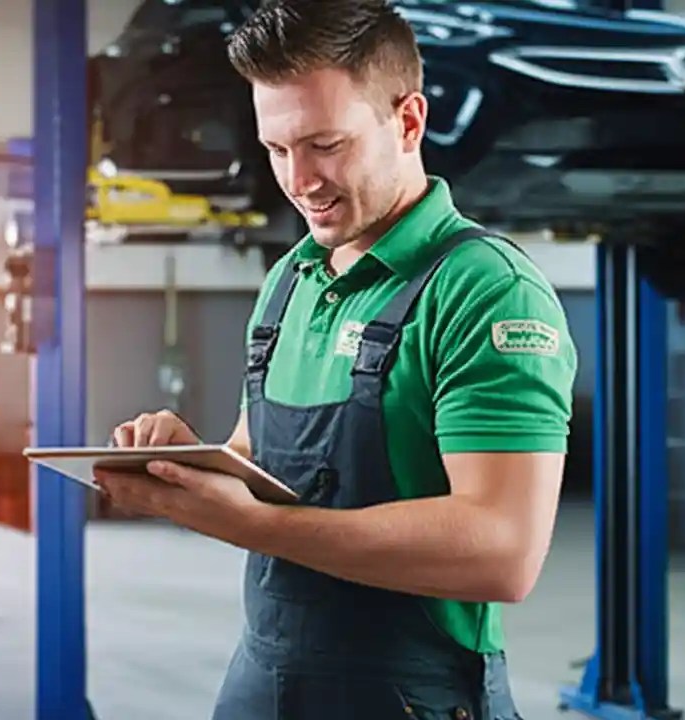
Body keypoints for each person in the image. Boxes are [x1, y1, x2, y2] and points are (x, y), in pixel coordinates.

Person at [94, 1, 578, 717]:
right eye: (278, 149)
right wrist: (190, 465)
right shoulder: (290, 282)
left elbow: (501, 551)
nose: (300, 180)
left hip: (409, 696)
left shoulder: (486, 292)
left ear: (409, 121)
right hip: (262, 680)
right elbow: (261, 462)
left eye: (327, 144)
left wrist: (253, 527)